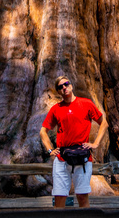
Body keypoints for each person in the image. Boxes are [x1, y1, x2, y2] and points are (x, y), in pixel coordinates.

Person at [40, 75, 108, 208]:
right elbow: (43, 131)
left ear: (71, 85)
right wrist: (50, 150)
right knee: (59, 198)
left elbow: (103, 123)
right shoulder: (56, 109)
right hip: (62, 157)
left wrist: (96, 143)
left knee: (82, 197)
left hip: (82, 156)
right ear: (58, 91)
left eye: (66, 84)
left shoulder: (86, 103)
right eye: (60, 87)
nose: (64, 88)